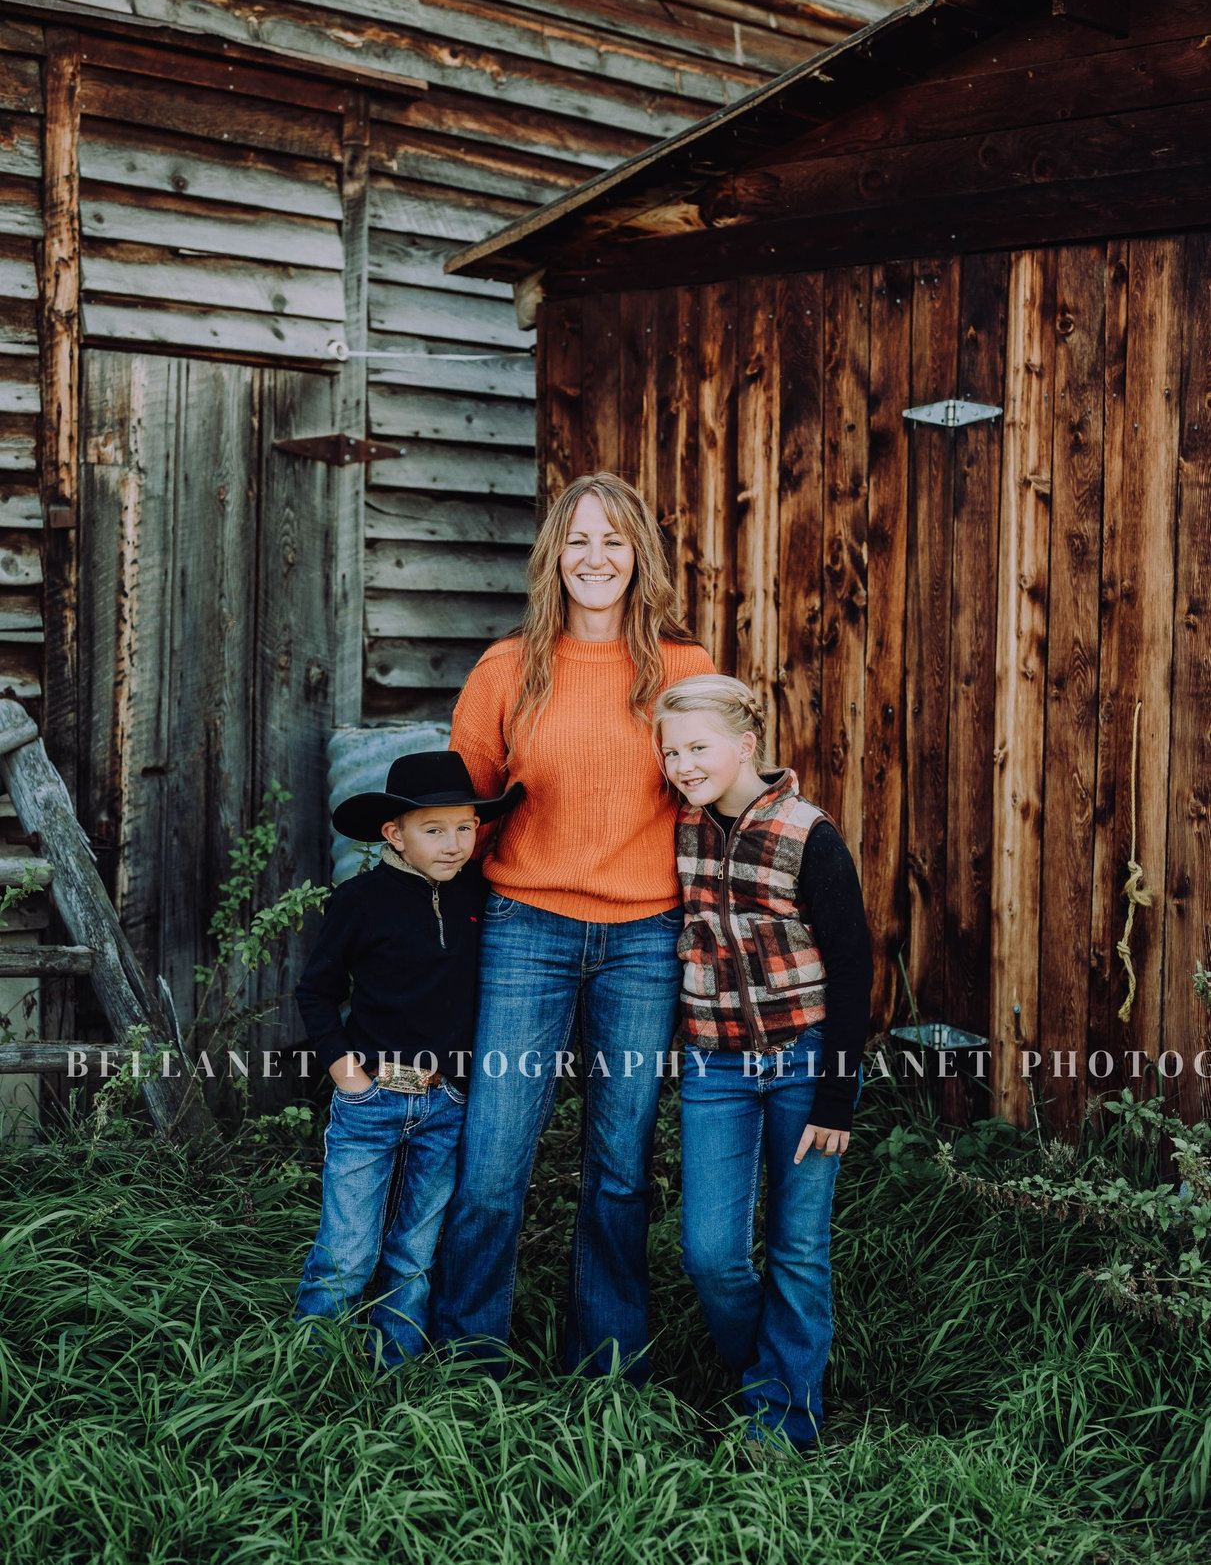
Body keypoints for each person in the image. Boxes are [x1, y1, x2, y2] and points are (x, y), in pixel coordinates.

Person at [430, 472, 715, 1380]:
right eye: (579, 541)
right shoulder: (506, 668)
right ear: (554, 555)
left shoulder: (684, 669)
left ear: (639, 557)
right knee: (492, 1163)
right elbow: (458, 803)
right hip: (526, 931)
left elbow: (711, 791)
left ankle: (607, 1367)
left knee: (621, 1168)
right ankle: (466, 1358)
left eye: (614, 541)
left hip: (644, 940)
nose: (596, 559)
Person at [653, 674, 872, 1449]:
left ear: (746, 745)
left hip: (804, 1061)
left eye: (697, 747)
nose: (681, 764)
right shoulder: (677, 829)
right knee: (709, 1254)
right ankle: (772, 1370)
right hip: (714, 1066)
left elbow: (850, 967)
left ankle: (784, 1420)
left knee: (797, 1246)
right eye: (670, 751)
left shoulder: (809, 833)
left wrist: (835, 1099)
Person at [292, 751, 523, 1369]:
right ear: (394, 834)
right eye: (434, 829)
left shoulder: (479, 896)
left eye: (466, 827)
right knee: (347, 1250)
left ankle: (393, 1373)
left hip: (446, 1100)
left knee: (416, 1250)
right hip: (371, 1099)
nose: (454, 844)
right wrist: (348, 1075)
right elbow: (316, 991)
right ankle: (308, 1377)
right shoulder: (360, 900)